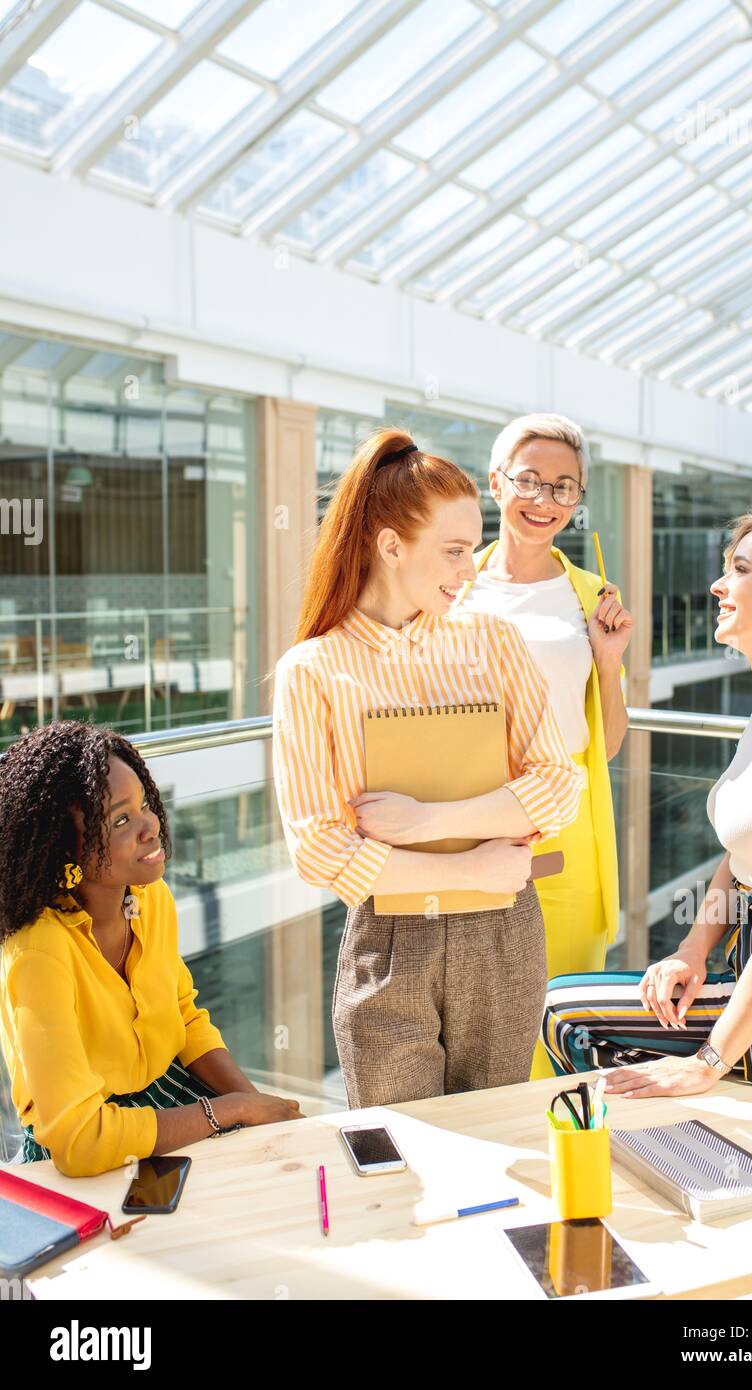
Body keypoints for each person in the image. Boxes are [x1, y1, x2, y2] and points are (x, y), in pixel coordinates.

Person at [272, 428, 584, 1108]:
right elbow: (320, 848)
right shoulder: (313, 670)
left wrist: (431, 821)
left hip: (505, 932)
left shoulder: (493, 640)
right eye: (452, 550)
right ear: (390, 545)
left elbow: (560, 787)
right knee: (401, 1157)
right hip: (389, 941)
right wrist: (465, 867)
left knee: (498, 1140)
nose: (469, 567)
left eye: (472, 548)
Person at [542, 497, 752, 1096]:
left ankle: (653, 1159)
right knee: (575, 1009)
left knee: (567, 1013)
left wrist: (707, 1063)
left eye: (741, 570)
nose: (719, 585)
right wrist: (692, 949)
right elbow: (743, 859)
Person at [0, 721, 302, 1177]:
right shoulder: (38, 953)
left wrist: (257, 1106)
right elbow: (81, 1141)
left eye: (144, 805)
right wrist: (231, 1111)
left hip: (174, 1101)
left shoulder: (148, 897)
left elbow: (185, 1019)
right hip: (91, 1141)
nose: (151, 826)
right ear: (64, 847)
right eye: (121, 820)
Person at [454, 413, 632, 1078]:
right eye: (530, 480)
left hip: (567, 835)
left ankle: (564, 1154)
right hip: (469, 828)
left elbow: (604, 746)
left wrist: (609, 664)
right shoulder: (451, 590)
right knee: (477, 1013)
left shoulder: (591, 595)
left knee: (562, 1015)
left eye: (565, 488)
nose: (545, 501)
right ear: (497, 483)